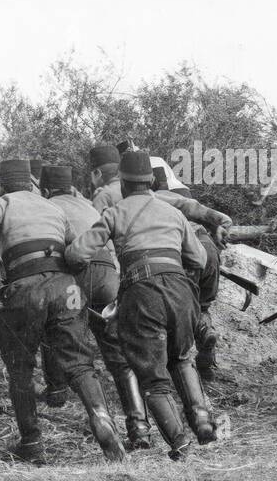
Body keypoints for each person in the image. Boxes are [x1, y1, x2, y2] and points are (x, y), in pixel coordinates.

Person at [0, 159, 125, 463]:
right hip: (65, 285)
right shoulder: (53, 208)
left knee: (20, 369)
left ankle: (31, 442)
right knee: (80, 363)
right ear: (31, 183)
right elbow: (75, 248)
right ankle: (102, 418)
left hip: (25, 287)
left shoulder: (0, 202)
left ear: (4, 184)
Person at [66, 151, 210, 457]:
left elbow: (77, 253)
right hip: (181, 288)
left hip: (142, 291)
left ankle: (178, 440)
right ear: (152, 182)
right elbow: (199, 258)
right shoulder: (173, 213)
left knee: (151, 372)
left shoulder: (115, 212)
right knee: (182, 357)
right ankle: (202, 421)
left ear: (125, 185)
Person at [40, 163, 150, 450]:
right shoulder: (89, 205)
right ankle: (139, 427)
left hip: (74, 274)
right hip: (106, 273)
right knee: (119, 355)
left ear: (45, 189)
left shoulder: (46, 207)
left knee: (63, 335)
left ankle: (60, 393)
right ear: (72, 186)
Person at [151, 166, 232, 382]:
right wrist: (221, 223)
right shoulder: (186, 203)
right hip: (208, 253)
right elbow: (201, 210)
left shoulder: (154, 199)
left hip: (186, 252)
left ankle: (178, 368)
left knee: (176, 310)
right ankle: (206, 345)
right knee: (202, 305)